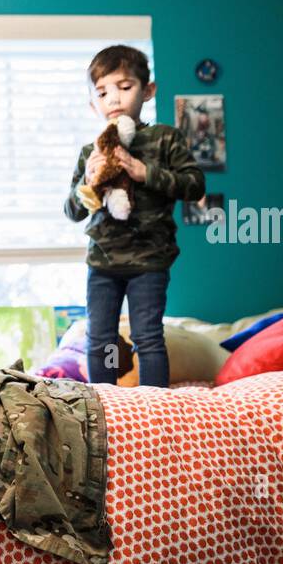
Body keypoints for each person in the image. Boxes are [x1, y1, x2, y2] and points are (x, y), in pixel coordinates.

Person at [64, 45, 205, 386]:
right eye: (102, 92)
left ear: (148, 91)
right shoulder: (90, 151)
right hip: (103, 261)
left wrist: (145, 173)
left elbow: (194, 184)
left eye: (124, 87)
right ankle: (105, 405)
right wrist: (89, 180)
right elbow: (72, 211)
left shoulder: (165, 138)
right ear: (93, 104)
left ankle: (154, 411)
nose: (113, 98)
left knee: (148, 337)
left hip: (149, 260)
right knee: (100, 340)